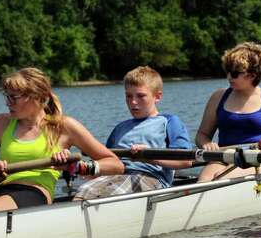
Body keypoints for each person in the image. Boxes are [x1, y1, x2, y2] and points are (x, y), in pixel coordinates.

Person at [0, 67, 124, 218]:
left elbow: (116, 164)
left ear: (38, 97)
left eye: (13, 98)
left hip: (35, 193)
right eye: (6, 96)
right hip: (2, 189)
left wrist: (77, 168)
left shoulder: (64, 126)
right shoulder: (0, 123)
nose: (8, 103)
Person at [74, 66, 193, 199]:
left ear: (157, 96)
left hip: (150, 179)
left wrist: (150, 157)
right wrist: (81, 169)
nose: (133, 102)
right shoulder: (119, 128)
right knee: (84, 189)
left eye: (141, 96)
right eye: (128, 96)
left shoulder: (169, 121)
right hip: (116, 178)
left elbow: (186, 161)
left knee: (99, 193)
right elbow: (106, 163)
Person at [195, 42, 261, 182]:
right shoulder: (218, 97)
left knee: (219, 179)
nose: (230, 77)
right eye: (228, 71)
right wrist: (206, 144)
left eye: (235, 73)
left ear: (253, 75)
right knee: (204, 180)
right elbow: (202, 135)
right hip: (225, 156)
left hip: (260, 159)